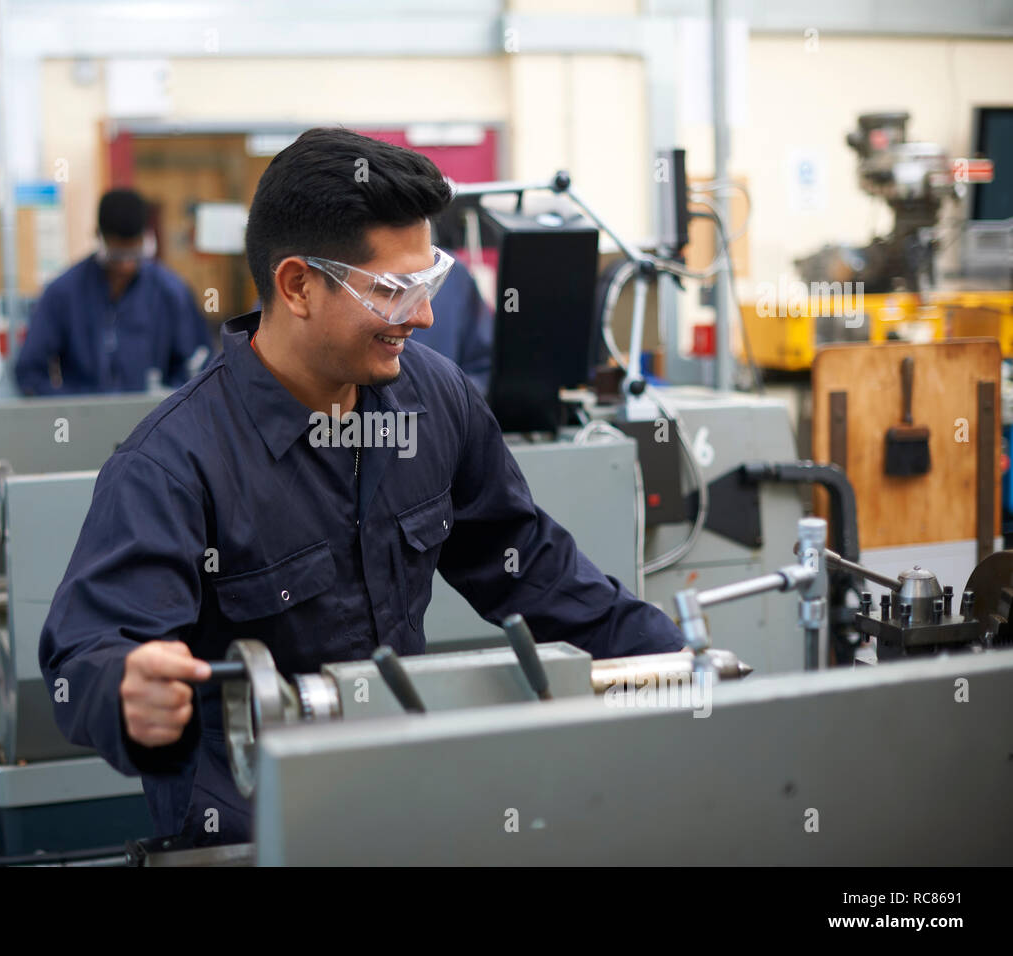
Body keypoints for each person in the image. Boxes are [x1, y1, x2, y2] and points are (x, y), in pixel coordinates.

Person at [38, 128, 683, 849]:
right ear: (297, 286)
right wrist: (126, 689)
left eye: (428, 280)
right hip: (249, 828)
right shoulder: (174, 465)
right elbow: (85, 653)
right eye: (393, 291)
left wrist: (671, 658)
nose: (426, 315)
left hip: (400, 796)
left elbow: (529, 564)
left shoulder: (435, 401)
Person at [14, 188, 211, 394]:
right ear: (99, 237)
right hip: (84, 420)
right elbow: (29, 372)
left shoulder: (171, 292)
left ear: (146, 239)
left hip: (156, 420)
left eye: (133, 253)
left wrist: (167, 404)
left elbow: (200, 367)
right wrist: (71, 407)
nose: (126, 266)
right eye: (117, 255)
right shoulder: (62, 293)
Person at [417, 252, 493, 393]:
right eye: (386, 291)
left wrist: (451, 398)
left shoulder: (454, 275)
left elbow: (483, 367)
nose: (426, 318)